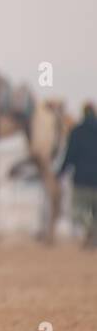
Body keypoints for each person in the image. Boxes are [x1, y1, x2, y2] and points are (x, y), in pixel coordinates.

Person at [60, 102, 97, 248]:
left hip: (81, 182)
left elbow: (70, 156)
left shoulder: (76, 132)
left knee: (77, 212)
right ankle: (92, 234)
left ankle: (91, 231)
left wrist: (60, 173)